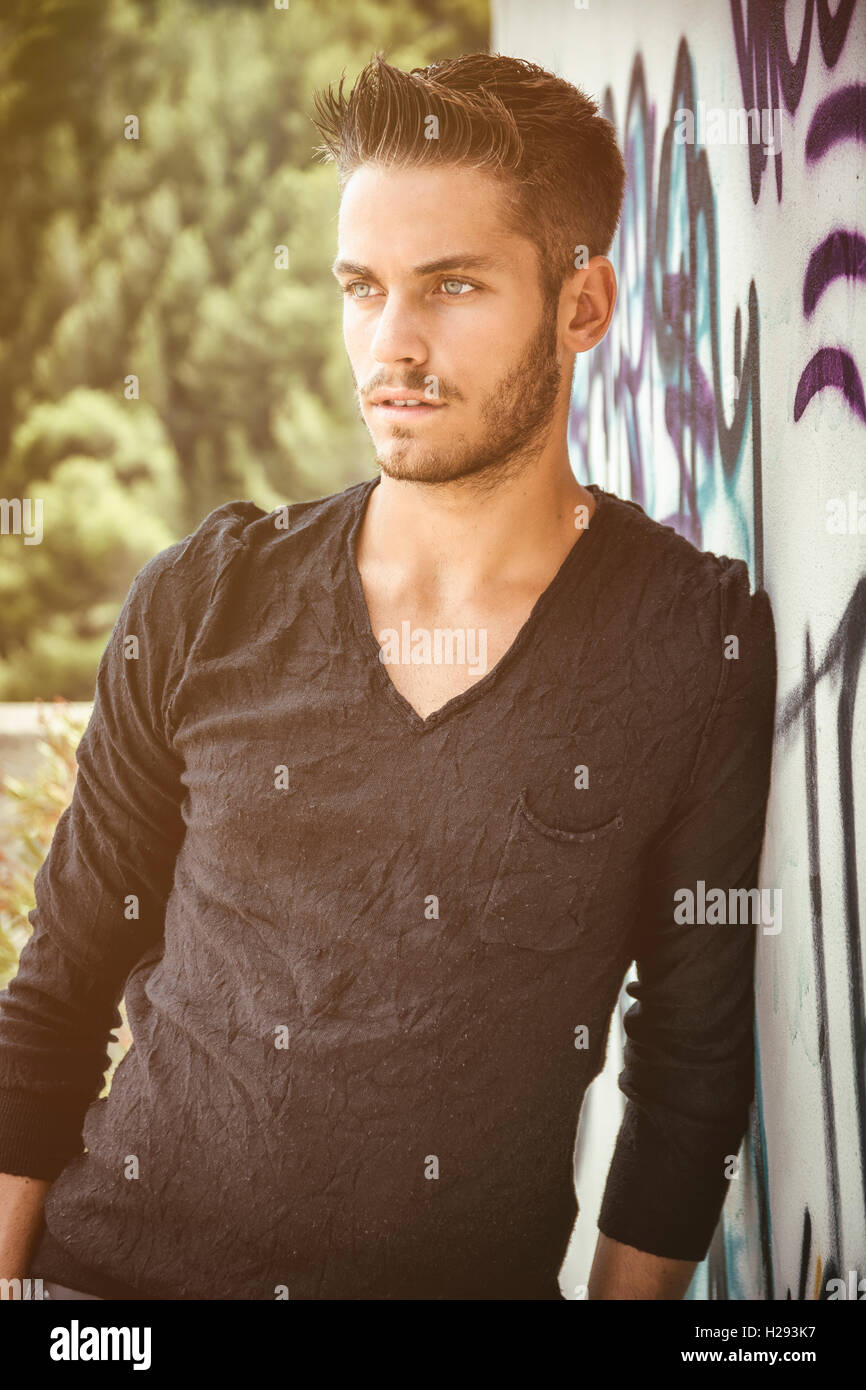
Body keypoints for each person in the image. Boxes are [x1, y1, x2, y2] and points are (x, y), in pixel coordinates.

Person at [0, 51, 776, 1301]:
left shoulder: (688, 643)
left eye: (450, 287)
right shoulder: (207, 597)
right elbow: (57, 990)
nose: (391, 344)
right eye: (361, 289)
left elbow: (690, 1070)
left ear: (583, 305)